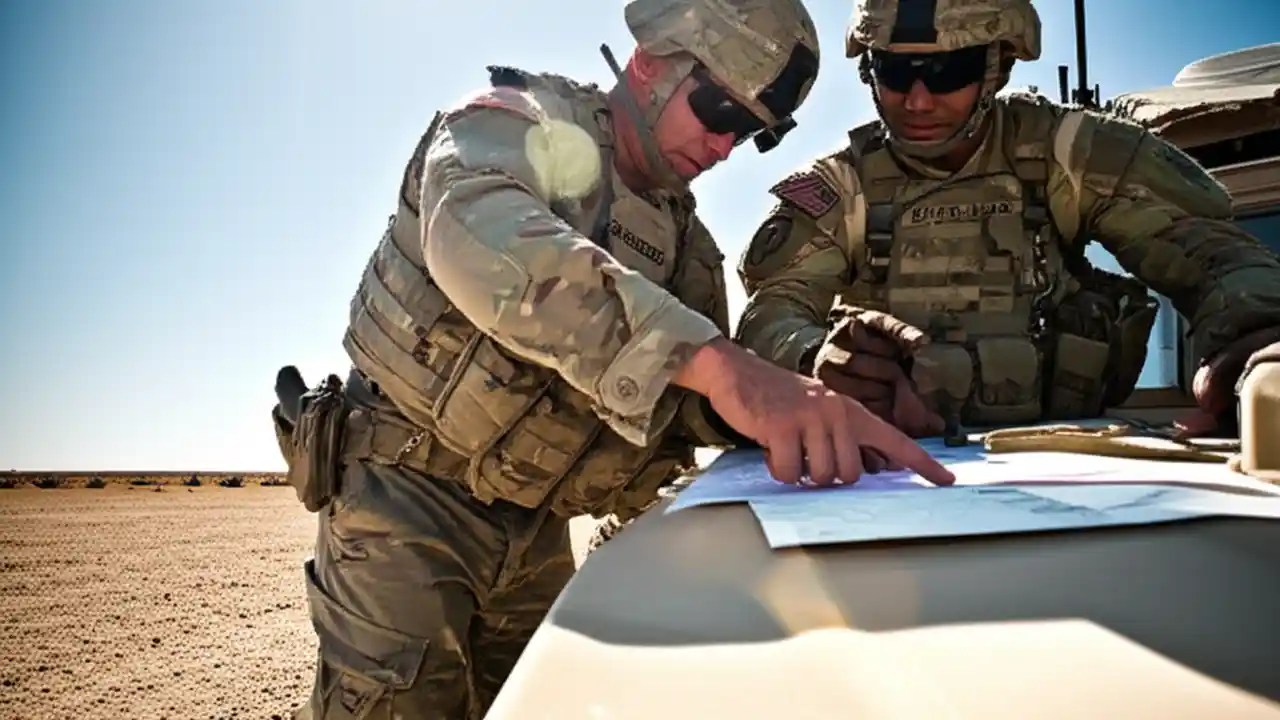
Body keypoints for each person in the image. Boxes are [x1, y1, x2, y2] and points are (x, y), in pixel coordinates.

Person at [272, 1, 957, 717]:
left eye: (751, 132)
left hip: (530, 529)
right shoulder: (513, 122)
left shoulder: (685, 246)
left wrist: (821, 386)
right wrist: (720, 365)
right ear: (652, 63)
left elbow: (690, 408)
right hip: (405, 495)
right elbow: (479, 237)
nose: (725, 145)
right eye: (719, 109)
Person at [734, 0, 1280, 449]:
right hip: (895, 462)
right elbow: (771, 313)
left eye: (950, 71)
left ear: (998, 66)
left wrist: (1257, 346)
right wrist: (814, 358)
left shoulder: (1069, 152)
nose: (917, 100)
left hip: (1073, 454)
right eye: (895, 72)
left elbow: (1206, 250)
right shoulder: (842, 187)